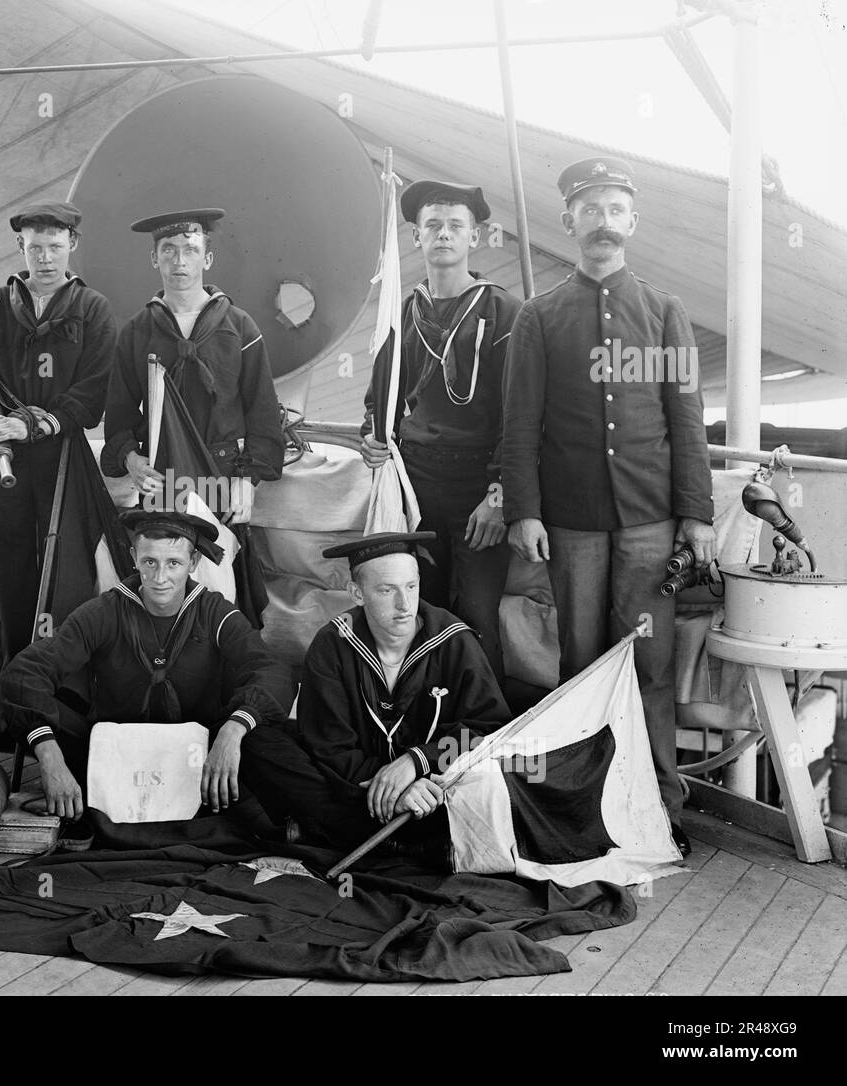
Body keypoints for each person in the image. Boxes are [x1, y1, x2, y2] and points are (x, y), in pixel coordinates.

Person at [501, 156, 716, 856]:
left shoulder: (665, 312)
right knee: (581, 667)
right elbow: (519, 425)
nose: (602, 221)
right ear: (569, 221)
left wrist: (699, 514)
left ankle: (659, 807)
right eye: (589, 209)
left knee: (650, 669)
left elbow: (687, 419)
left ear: (632, 222)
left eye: (614, 209)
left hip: (652, 523)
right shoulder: (539, 316)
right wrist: (524, 512)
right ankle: (582, 811)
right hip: (572, 522)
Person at [0, 510, 296, 821]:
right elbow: (26, 672)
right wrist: (48, 755)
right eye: (149, 562)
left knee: (261, 735)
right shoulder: (104, 612)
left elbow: (271, 670)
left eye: (174, 564)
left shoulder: (215, 612)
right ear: (134, 557)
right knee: (43, 714)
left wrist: (232, 732)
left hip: (196, 754)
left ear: (193, 563)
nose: (159, 577)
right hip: (114, 752)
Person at [252, 533, 512, 859]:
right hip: (360, 785)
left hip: (433, 789)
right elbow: (329, 747)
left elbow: (488, 729)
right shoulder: (333, 643)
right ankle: (401, 840)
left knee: (496, 776)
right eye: (387, 590)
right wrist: (394, 791)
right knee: (259, 744)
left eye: (411, 587)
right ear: (357, 593)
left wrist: (418, 762)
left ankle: (338, 830)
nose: (404, 605)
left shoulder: (453, 640)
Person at [359, 180, 522, 684]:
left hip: (479, 489)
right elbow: (378, 399)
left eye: (456, 226)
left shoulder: (503, 312)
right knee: (416, 610)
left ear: (475, 236)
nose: (443, 235)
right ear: (416, 237)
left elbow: (520, 417)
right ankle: (419, 727)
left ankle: (481, 734)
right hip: (417, 486)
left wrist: (499, 496)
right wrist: (372, 434)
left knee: (475, 616)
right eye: (433, 225)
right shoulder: (401, 313)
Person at [0, 202, 116, 664]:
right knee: (9, 574)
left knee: (68, 579)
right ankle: (12, 688)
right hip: (4, 462)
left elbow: (92, 393)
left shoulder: (93, 309)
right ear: (21, 246)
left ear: (72, 246)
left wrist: (33, 424)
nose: (44, 258)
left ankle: (62, 689)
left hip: (64, 459)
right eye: (35, 247)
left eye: (54, 247)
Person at [100, 209, 285, 525]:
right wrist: (132, 460)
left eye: (190, 250)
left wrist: (247, 479)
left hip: (224, 474)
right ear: (154, 259)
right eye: (168, 250)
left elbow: (263, 412)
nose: (179, 261)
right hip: (164, 474)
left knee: (222, 565)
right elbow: (120, 416)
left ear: (207, 259)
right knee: (166, 563)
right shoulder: (136, 332)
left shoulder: (240, 327)